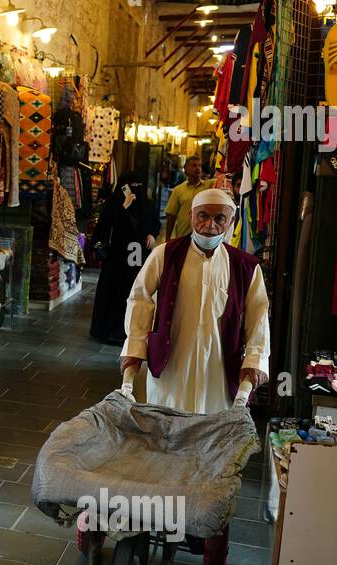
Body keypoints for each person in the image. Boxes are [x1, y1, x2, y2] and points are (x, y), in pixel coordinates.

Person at [119, 189, 270, 413]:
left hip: (218, 370)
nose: (210, 225)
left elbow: (259, 315)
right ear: (191, 216)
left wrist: (255, 360)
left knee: (211, 436)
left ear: (231, 221)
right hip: (171, 367)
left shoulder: (245, 266)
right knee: (166, 429)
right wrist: (135, 346)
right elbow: (140, 299)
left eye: (219, 218)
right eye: (203, 216)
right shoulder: (164, 255)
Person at [89, 172, 159, 344]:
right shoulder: (114, 204)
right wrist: (123, 207)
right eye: (130, 185)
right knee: (113, 291)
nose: (135, 189)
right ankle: (108, 330)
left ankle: (129, 329)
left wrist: (152, 234)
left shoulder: (147, 204)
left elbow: (155, 222)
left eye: (138, 185)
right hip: (116, 257)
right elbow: (105, 227)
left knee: (133, 292)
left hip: (138, 257)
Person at [164, 155, 213, 240]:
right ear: (186, 169)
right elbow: (171, 216)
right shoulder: (178, 190)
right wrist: (167, 239)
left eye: (199, 165)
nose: (198, 168)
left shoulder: (209, 186)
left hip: (203, 238)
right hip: (183, 236)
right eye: (194, 165)